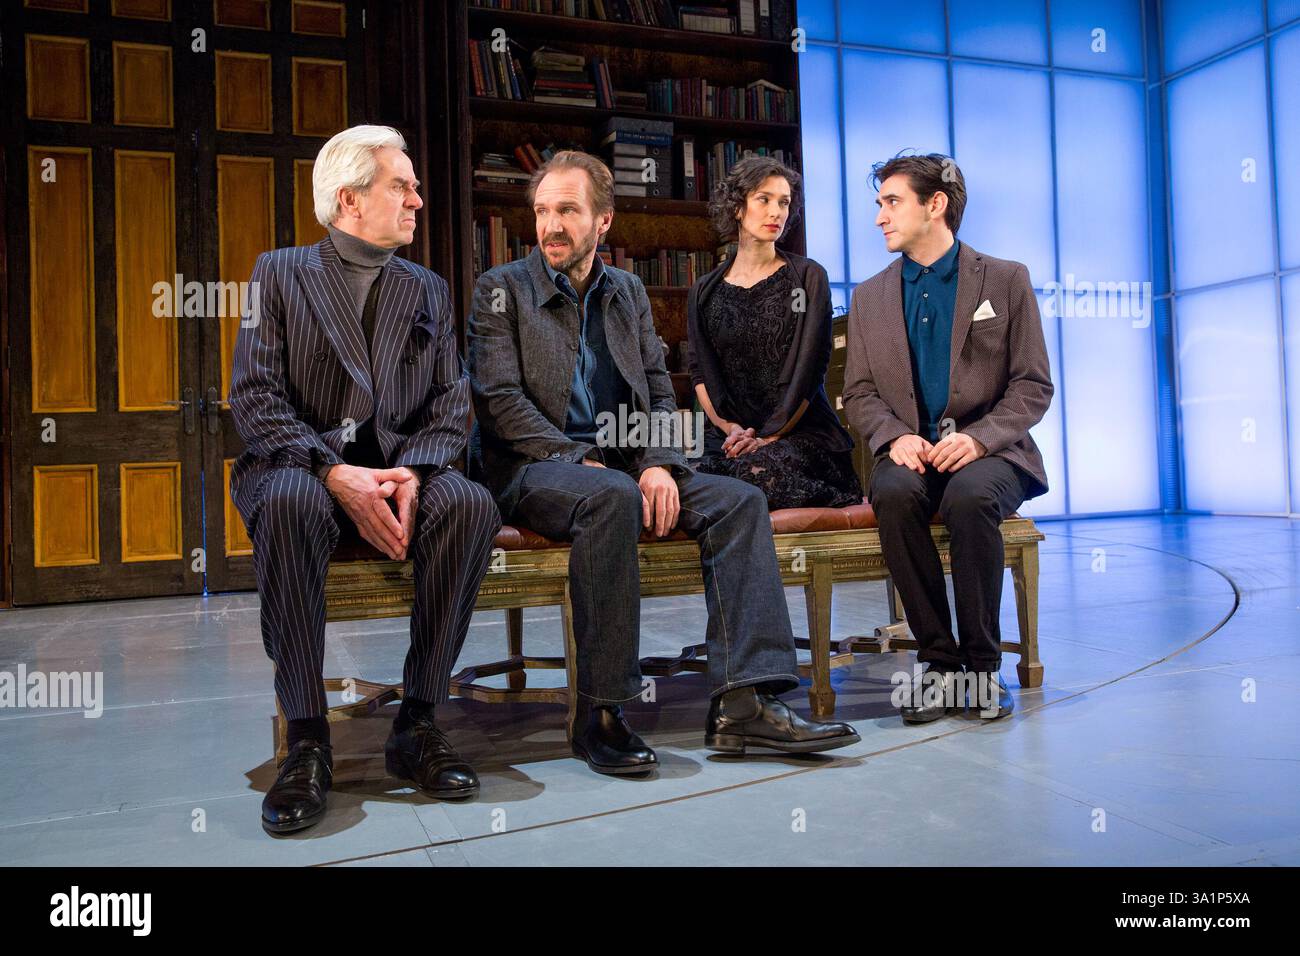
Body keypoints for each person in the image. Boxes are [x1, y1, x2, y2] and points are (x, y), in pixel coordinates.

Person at [467, 150, 859, 776]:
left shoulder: (626, 292)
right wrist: (579, 459)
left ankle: (743, 702)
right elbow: (499, 402)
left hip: (622, 465)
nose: (550, 226)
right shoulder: (501, 289)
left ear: (603, 221)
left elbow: (655, 388)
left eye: (567, 209)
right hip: (533, 467)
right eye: (542, 211)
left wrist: (657, 463)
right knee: (611, 497)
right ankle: (602, 712)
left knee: (739, 501)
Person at [229, 125, 502, 835]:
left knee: (470, 504)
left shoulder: (428, 289)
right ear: (349, 199)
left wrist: (413, 469)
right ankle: (308, 737)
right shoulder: (278, 273)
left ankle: (417, 721)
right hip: (304, 468)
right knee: (288, 500)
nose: (417, 198)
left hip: (402, 469)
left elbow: (451, 403)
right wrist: (333, 470)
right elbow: (256, 399)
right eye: (400, 186)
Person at [842, 152, 1053, 723]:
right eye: (878, 204)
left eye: (891, 202)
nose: (880, 216)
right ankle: (939, 663)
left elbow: (1033, 385)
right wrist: (892, 439)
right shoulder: (869, 296)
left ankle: (982, 669)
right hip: (910, 450)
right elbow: (858, 393)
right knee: (892, 494)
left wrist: (981, 440)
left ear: (935, 205)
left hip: (993, 452)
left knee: (969, 497)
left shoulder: (1006, 279)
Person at [688, 155, 861, 509]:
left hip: (801, 434)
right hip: (731, 437)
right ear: (737, 207)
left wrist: (769, 437)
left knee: (755, 476)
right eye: (764, 199)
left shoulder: (809, 277)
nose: (777, 212)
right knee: (688, 484)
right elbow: (699, 371)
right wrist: (731, 429)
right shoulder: (704, 291)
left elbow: (812, 368)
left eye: (783, 202)